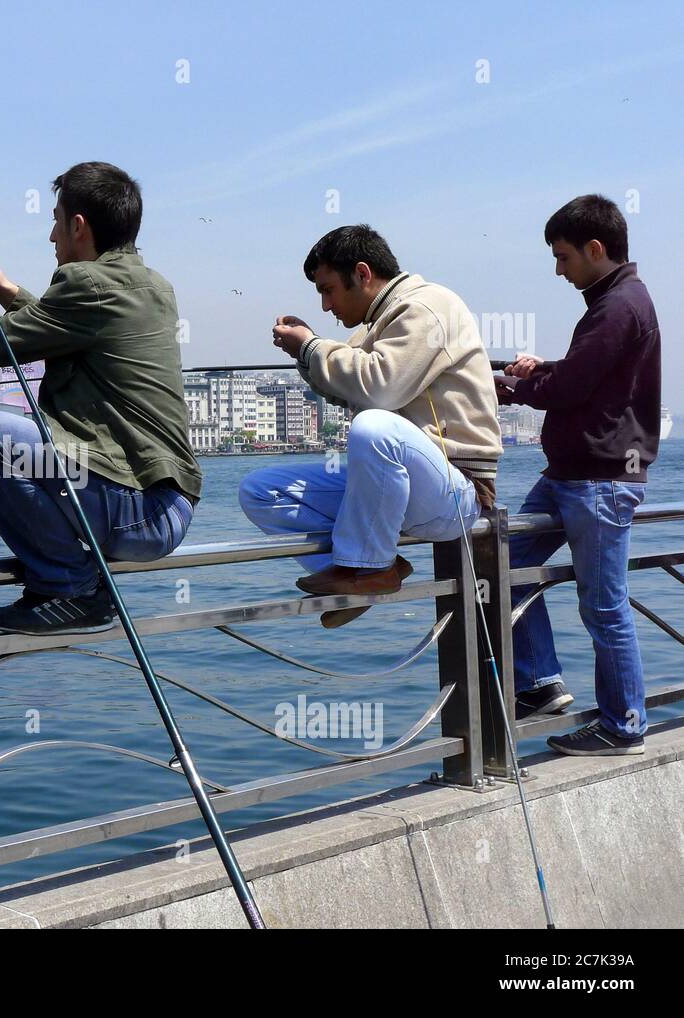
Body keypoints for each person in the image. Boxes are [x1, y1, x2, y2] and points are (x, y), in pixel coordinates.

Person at [0, 161, 200, 636]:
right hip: (168, 508)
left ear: (78, 226)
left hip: (136, 513)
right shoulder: (153, 286)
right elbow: (66, 325)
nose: (51, 237)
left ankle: (70, 587)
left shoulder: (87, 285)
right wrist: (1, 286)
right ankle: (71, 583)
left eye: (55, 220)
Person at [238, 225, 501, 628]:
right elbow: (352, 385)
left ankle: (369, 568)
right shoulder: (381, 321)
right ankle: (365, 571)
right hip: (405, 487)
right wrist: (308, 351)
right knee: (259, 491)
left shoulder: (425, 307)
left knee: (375, 427)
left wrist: (309, 346)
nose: (327, 305)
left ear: (362, 274)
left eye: (328, 290)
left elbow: (379, 388)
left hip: (456, 491)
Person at [498, 196, 659, 757]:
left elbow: (571, 391)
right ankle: (541, 684)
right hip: (573, 475)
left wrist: (518, 387)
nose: (558, 269)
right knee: (510, 566)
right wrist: (537, 368)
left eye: (563, 256)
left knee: (604, 605)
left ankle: (623, 725)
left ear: (595, 249)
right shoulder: (613, 303)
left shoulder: (618, 307)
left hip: (598, 479)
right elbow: (580, 374)